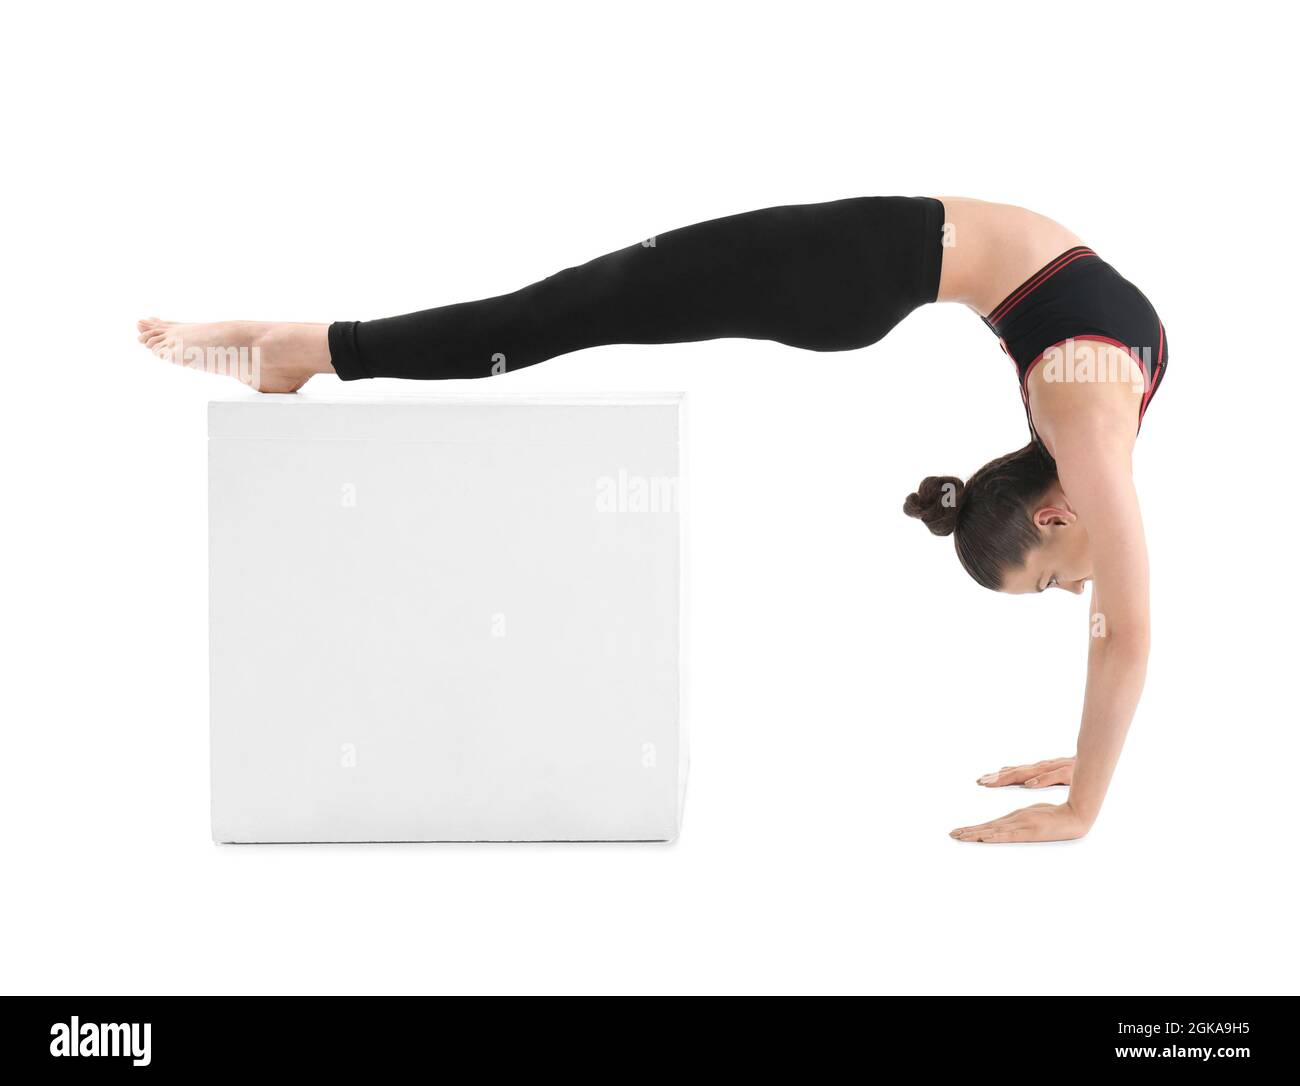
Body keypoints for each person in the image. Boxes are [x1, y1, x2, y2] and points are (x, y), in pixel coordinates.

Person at [138, 196, 1167, 843]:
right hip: (858, 266)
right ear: (1055, 510)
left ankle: (304, 347)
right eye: (1055, 581)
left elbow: (1112, 626)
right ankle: (299, 347)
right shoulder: (1084, 417)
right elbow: (1126, 632)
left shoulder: (1081, 420)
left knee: (567, 310)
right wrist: (1082, 808)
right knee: (555, 313)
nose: (1081, 586)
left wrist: (1088, 751)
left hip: (867, 265)